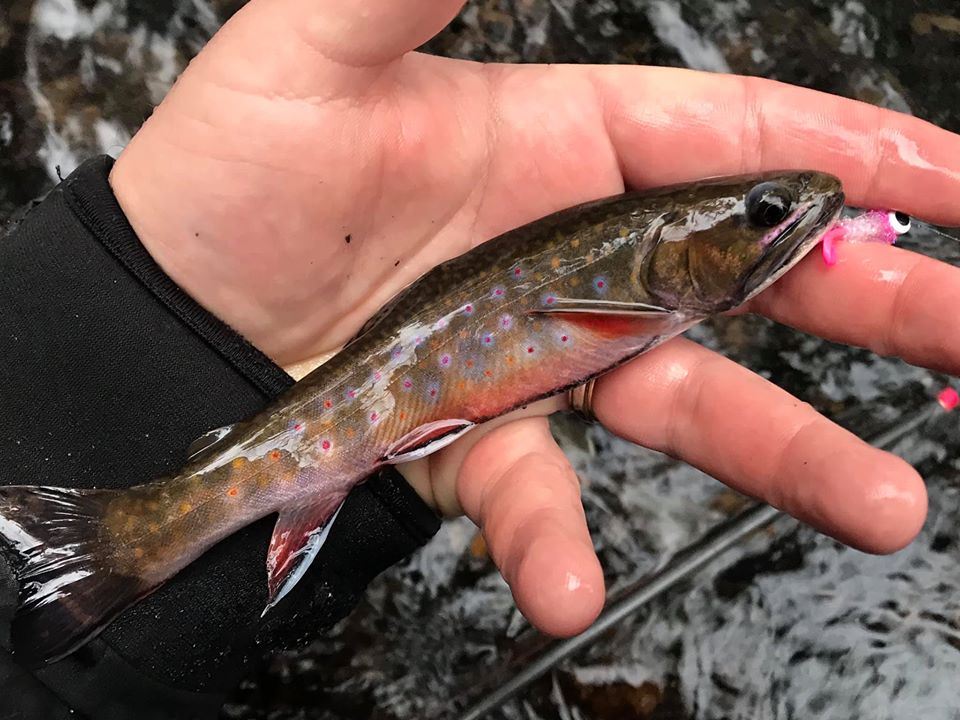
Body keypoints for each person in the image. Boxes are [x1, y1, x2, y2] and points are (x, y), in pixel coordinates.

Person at [1, 1, 958, 718]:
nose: (785, 219)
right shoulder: (636, 284)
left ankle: (122, 539)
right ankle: (128, 537)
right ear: (671, 250)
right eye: (760, 216)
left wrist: (119, 330)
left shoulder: (649, 281)